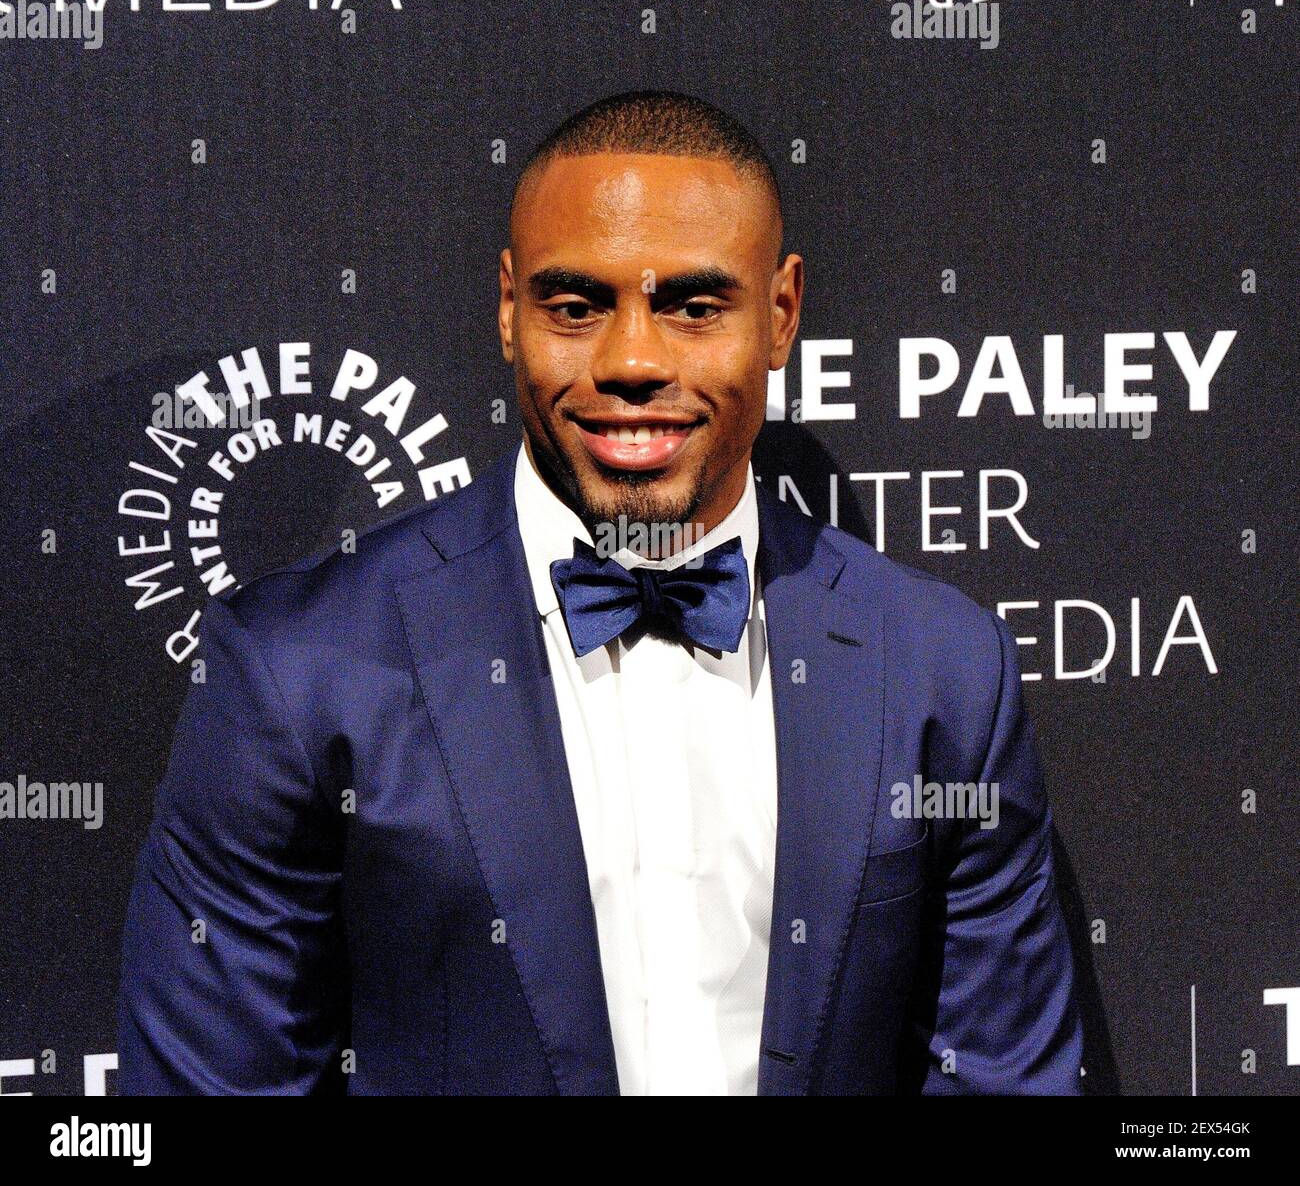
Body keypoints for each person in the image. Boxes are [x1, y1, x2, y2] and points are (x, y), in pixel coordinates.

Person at [118, 89, 1082, 1095]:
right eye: (576, 306)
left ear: (780, 313)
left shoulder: (941, 667)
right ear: (507, 309)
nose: (630, 361)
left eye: (693, 307)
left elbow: (1001, 1079)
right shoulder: (299, 671)